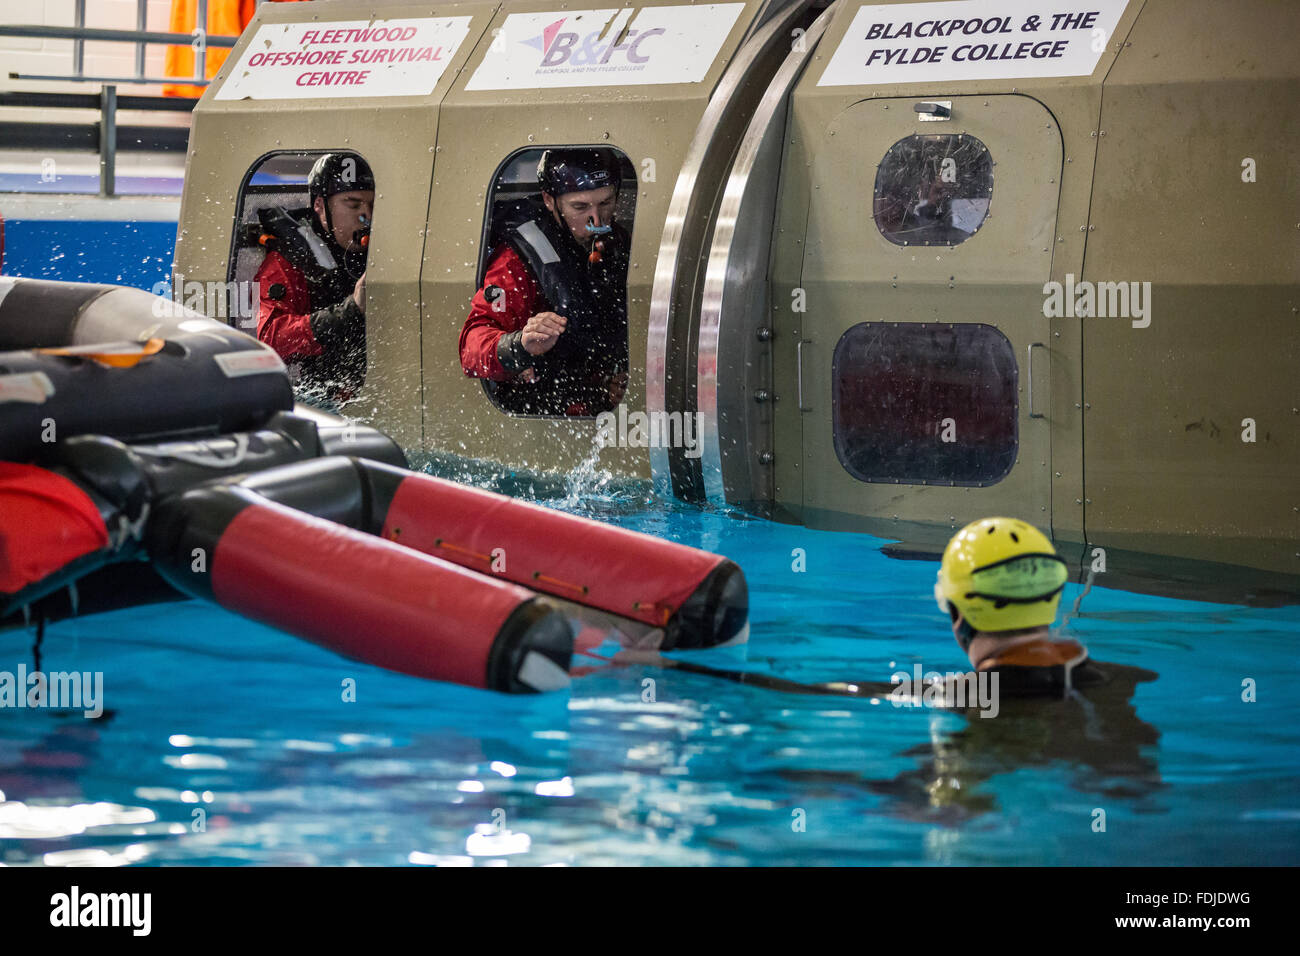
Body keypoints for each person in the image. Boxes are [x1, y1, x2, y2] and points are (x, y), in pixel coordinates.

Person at [459, 148, 630, 417]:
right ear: (550, 201)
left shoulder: (621, 249)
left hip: (597, 406)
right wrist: (521, 344)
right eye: (580, 207)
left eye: (606, 203)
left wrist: (614, 383)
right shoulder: (515, 262)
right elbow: (471, 348)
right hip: (542, 412)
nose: (597, 220)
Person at [254, 152, 374, 400]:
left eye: (373, 205)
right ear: (319, 205)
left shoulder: (384, 247)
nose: (367, 217)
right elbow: (271, 340)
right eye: (353, 205)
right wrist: (350, 310)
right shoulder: (288, 260)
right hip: (324, 402)